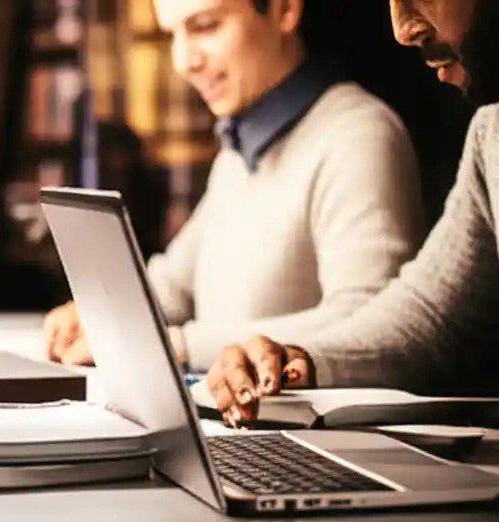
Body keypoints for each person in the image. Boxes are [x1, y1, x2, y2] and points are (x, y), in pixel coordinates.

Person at [43, 0, 424, 372]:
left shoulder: (359, 135)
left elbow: (368, 323)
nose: (183, 61)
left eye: (206, 26)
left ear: (284, 10)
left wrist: (178, 347)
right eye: (174, 33)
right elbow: (175, 284)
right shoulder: (241, 147)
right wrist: (99, 312)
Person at [206, 0, 499, 426]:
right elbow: (430, 319)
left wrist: (176, 344)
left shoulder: (358, 130)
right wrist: (298, 359)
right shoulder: (491, 133)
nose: (402, 29)